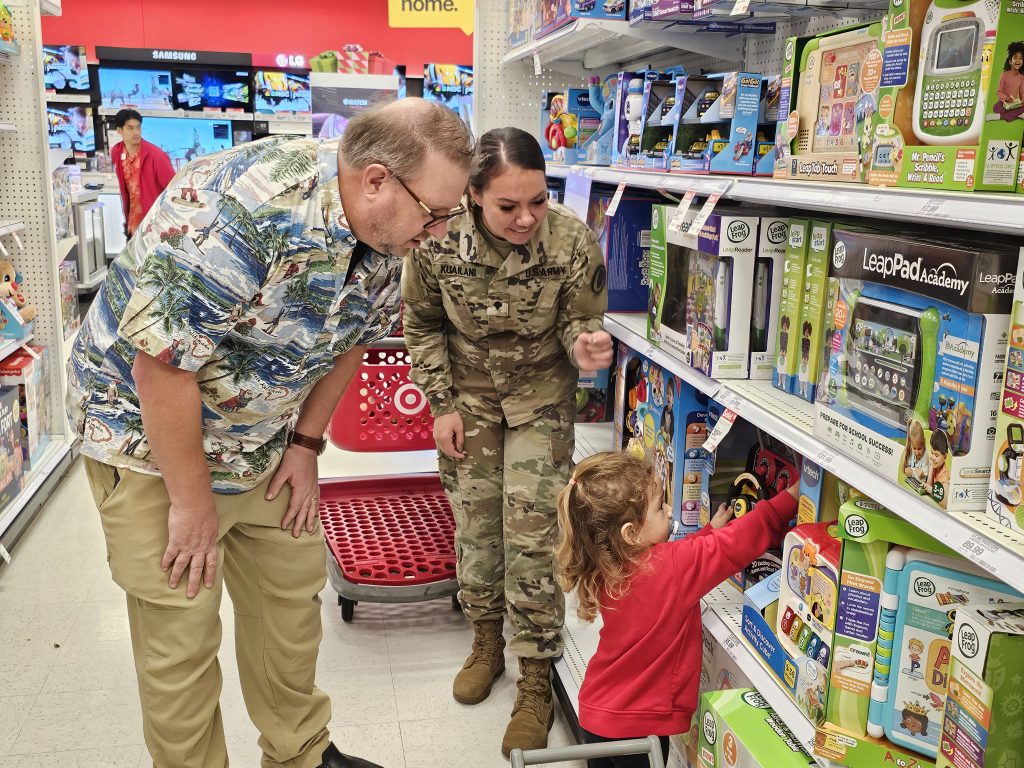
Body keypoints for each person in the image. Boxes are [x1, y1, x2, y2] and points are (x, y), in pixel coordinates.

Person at [66, 98, 474, 768]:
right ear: (375, 179)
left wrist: (308, 445)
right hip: (149, 442)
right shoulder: (237, 214)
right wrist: (193, 505)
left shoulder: (385, 231)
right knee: (182, 633)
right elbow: (161, 371)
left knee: (290, 602)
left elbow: (351, 336)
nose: (437, 231)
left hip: (262, 434)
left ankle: (301, 756)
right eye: (434, 213)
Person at [402, 126, 614, 756]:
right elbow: (422, 322)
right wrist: (440, 406)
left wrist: (587, 345)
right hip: (467, 399)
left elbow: (583, 320)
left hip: (540, 403)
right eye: (507, 205)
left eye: (538, 201)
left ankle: (536, 681)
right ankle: (486, 643)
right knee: (475, 529)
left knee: (532, 538)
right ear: (471, 195)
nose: (526, 218)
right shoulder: (435, 240)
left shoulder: (573, 238)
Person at [556, 451, 798, 768]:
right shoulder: (673, 569)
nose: (670, 510)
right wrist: (791, 498)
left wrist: (710, 531)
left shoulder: (609, 562)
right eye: (659, 507)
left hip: (597, 713)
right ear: (630, 533)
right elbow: (735, 543)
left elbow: (672, 560)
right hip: (640, 730)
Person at [111, 108, 176, 239]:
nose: (136, 132)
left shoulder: (156, 156)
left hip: (155, 226)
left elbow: (173, 189)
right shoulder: (117, 152)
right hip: (133, 225)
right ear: (119, 131)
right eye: (130, 128)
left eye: (138, 127)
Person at [996, 43, 1024, 121]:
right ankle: (1015, 115)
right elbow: (999, 92)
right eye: (1015, 58)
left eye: (1020, 58)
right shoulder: (1004, 75)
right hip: (1004, 103)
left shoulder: (1022, 78)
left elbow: (1022, 93)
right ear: (1010, 61)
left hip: (1015, 104)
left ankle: (1005, 116)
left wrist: (1023, 101)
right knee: (996, 107)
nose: (1018, 60)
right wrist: (1006, 98)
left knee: (1020, 108)